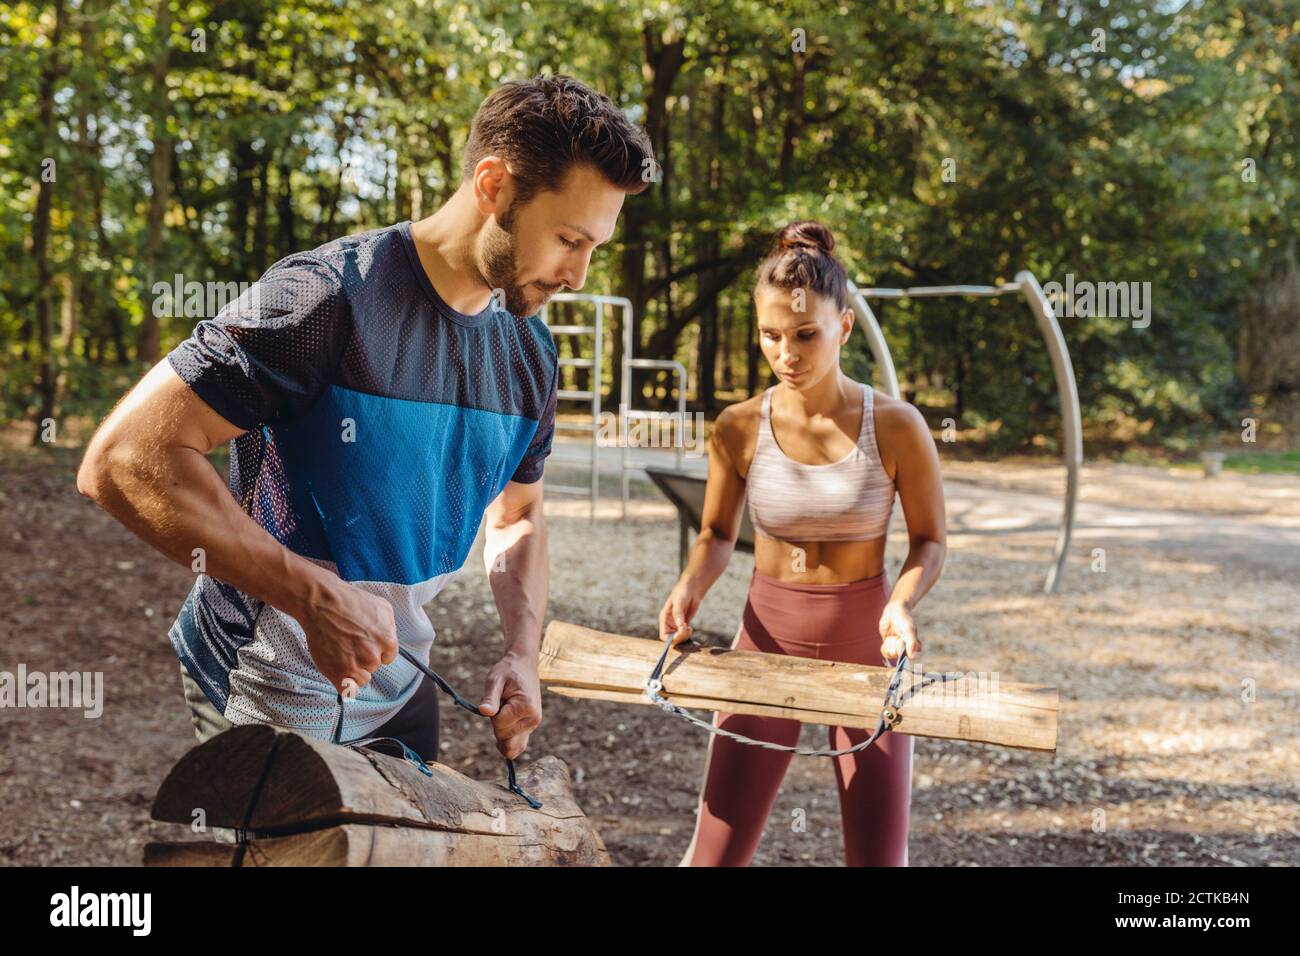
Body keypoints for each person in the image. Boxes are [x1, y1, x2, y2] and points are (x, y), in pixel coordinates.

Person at [76, 75, 655, 774]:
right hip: (273, 681)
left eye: (594, 245)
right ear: (494, 186)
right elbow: (124, 459)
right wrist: (316, 600)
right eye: (568, 238)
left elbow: (521, 511)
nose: (580, 274)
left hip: (406, 684)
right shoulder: (323, 297)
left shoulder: (531, 352)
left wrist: (521, 653)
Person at [657, 220, 947, 867]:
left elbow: (929, 540)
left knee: (878, 859)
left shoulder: (897, 426)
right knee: (713, 857)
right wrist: (689, 587)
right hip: (765, 644)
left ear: (843, 326)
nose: (787, 353)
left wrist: (902, 603)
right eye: (770, 336)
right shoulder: (736, 427)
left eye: (806, 334)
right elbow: (715, 534)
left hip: (867, 651)